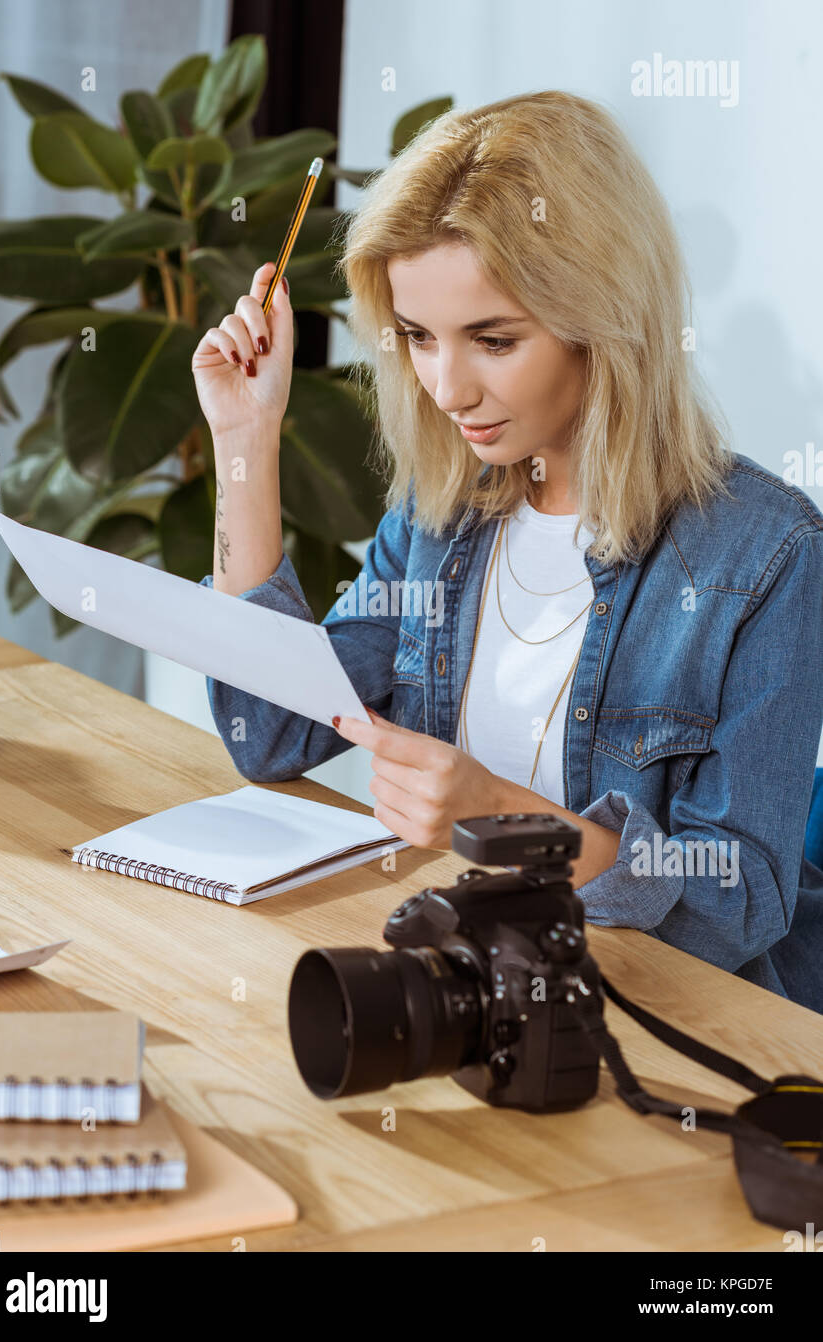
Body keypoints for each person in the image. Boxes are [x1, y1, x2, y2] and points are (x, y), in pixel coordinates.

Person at [191, 90, 823, 1015]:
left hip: (659, 1022)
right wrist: (246, 438)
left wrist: (500, 815)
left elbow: (737, 905)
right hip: (469, 981)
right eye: (416, 338)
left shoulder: (765, 555)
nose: (447, 387)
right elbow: (269, 733)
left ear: (600, 320)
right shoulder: (442, 518)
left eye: (492, 340)